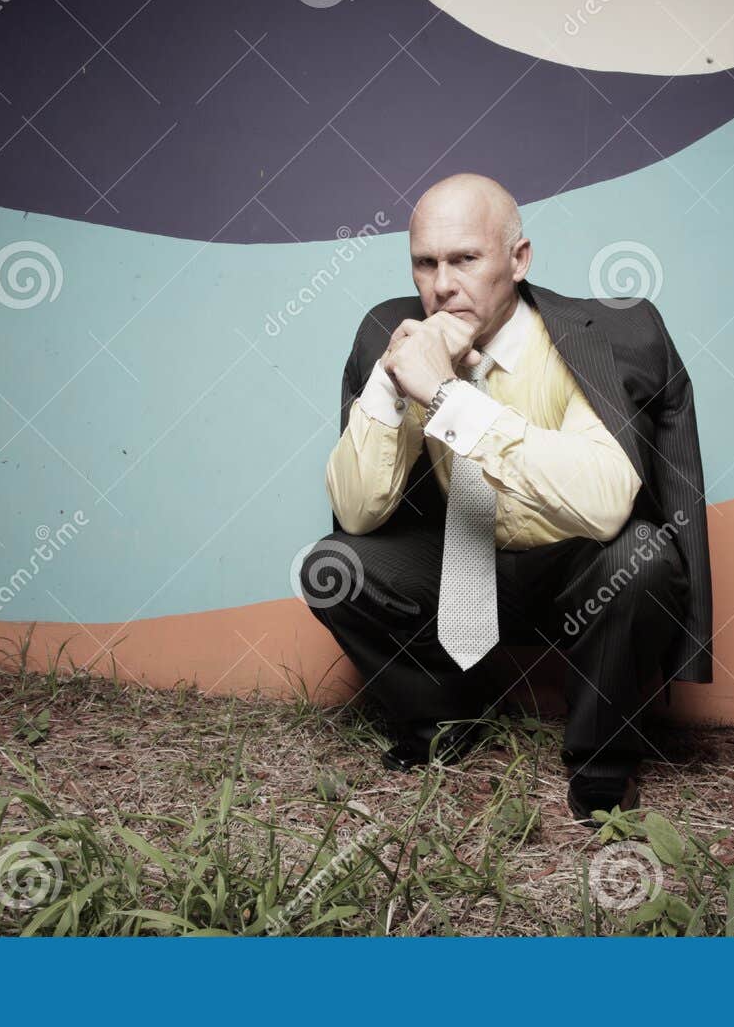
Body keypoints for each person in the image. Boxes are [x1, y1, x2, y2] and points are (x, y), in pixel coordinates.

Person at [302, 172, 713, 825]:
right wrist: (388, 387)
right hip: (460, 566)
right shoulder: (396, 335)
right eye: (425, 263)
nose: (442, 284)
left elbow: (608, 498)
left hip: (576, 567)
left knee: (642, 554)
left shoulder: (592, 339)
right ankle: (446, 722)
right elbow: (358, 513)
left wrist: (449, 398)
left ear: (518, 260)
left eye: (465, 258)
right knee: (331, 567)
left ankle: (602, 764)